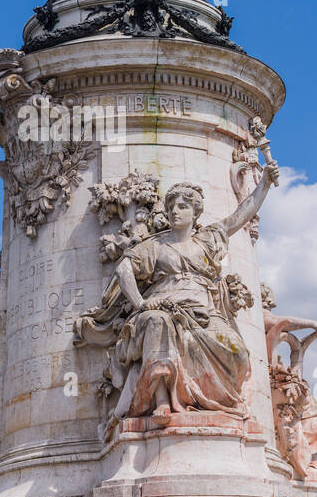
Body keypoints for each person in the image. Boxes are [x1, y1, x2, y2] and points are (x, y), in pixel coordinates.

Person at [75, 169, 277, 431]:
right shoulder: (155, 245)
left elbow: (242, 215)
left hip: (202, 311)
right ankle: (161, 400)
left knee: (237, 351)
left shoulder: (208, 239)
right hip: (163, 306)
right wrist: (140, 304)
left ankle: (217, 401)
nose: (175, 211)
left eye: (182, 207)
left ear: (195, 213)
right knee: (156, 322)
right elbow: (124, 270)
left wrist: (265, 183)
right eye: (171, 207)